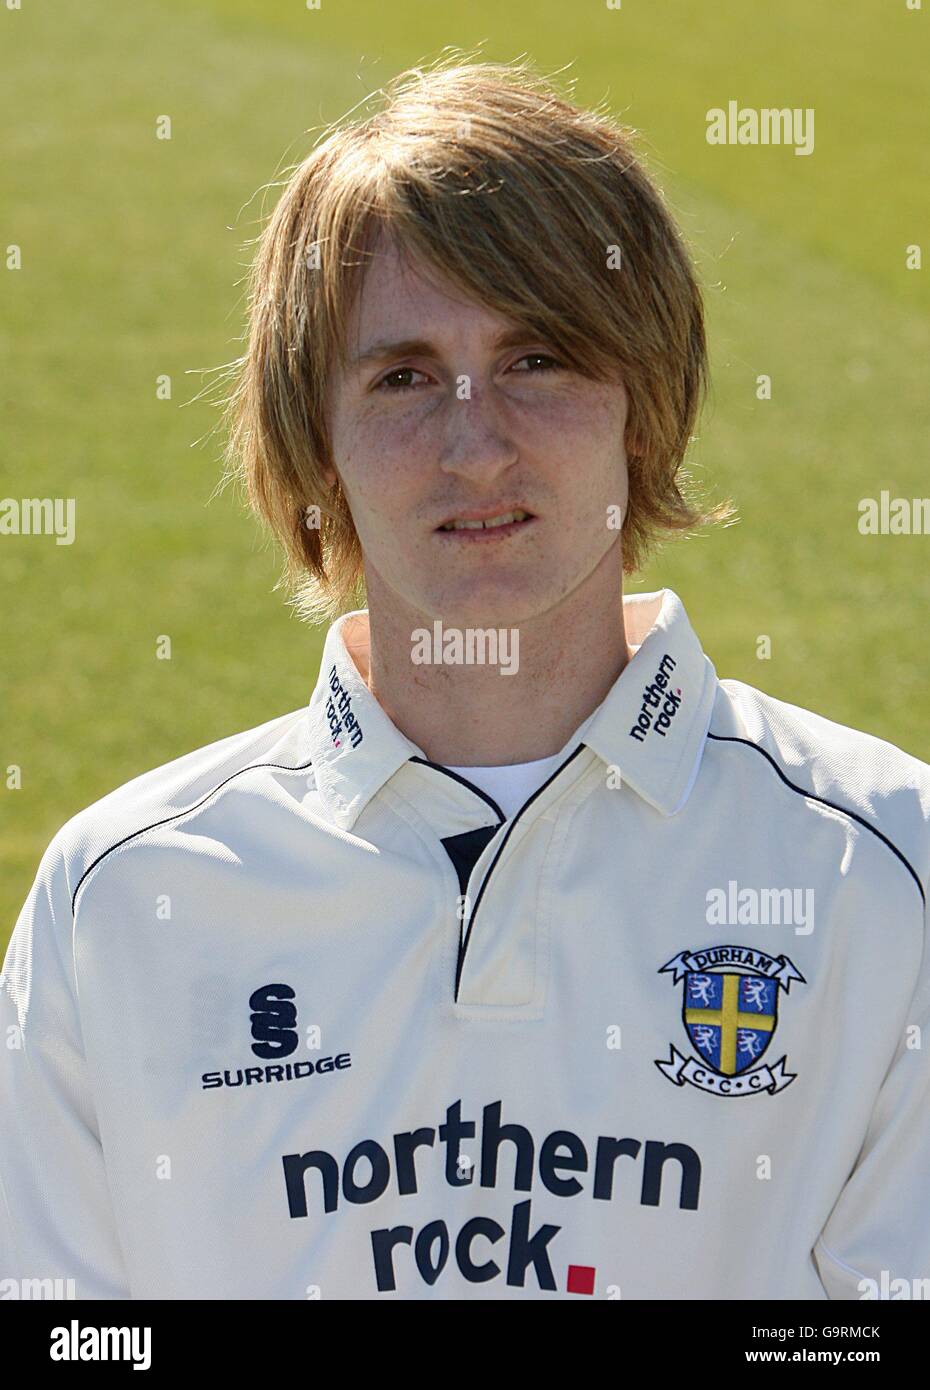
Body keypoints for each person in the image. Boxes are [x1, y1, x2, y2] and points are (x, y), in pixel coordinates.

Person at [2, 57, 928, 1302]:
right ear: (313, 444)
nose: (473, 441)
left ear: (641, 405)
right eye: (400, 376)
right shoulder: (119, 902)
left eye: (539, 358)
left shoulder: (881, 866)